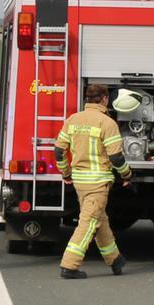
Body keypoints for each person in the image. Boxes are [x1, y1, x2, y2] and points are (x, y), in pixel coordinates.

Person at [54, 83, 130, 279]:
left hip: (80, 181)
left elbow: (59, 151)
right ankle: (69, 265)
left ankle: (115, 260)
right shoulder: (107, 123)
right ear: (104, 99)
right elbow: (116, 158)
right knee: (88, 223)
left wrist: (66, 173)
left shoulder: (72, 120)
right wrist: (127, 174)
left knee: (99, 219)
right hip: (98, 183)